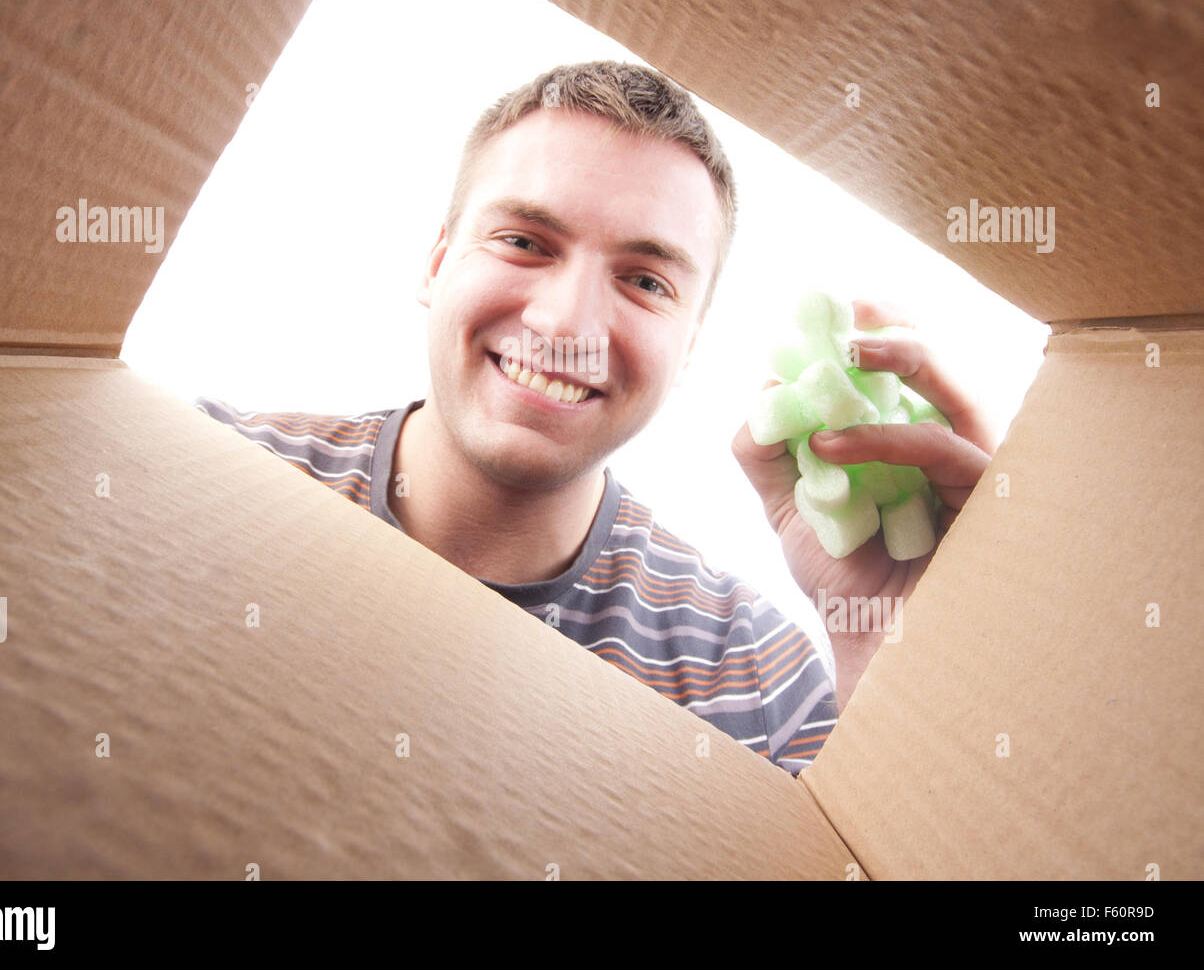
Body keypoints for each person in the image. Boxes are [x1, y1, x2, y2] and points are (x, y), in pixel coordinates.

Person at [196, 61, 996, 773]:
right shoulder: (204, 476)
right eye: (523, 240)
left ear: (689, 351)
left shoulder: (757, 679)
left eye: (646, 281)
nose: (566, 326)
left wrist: (896, 657)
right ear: (437, 265)